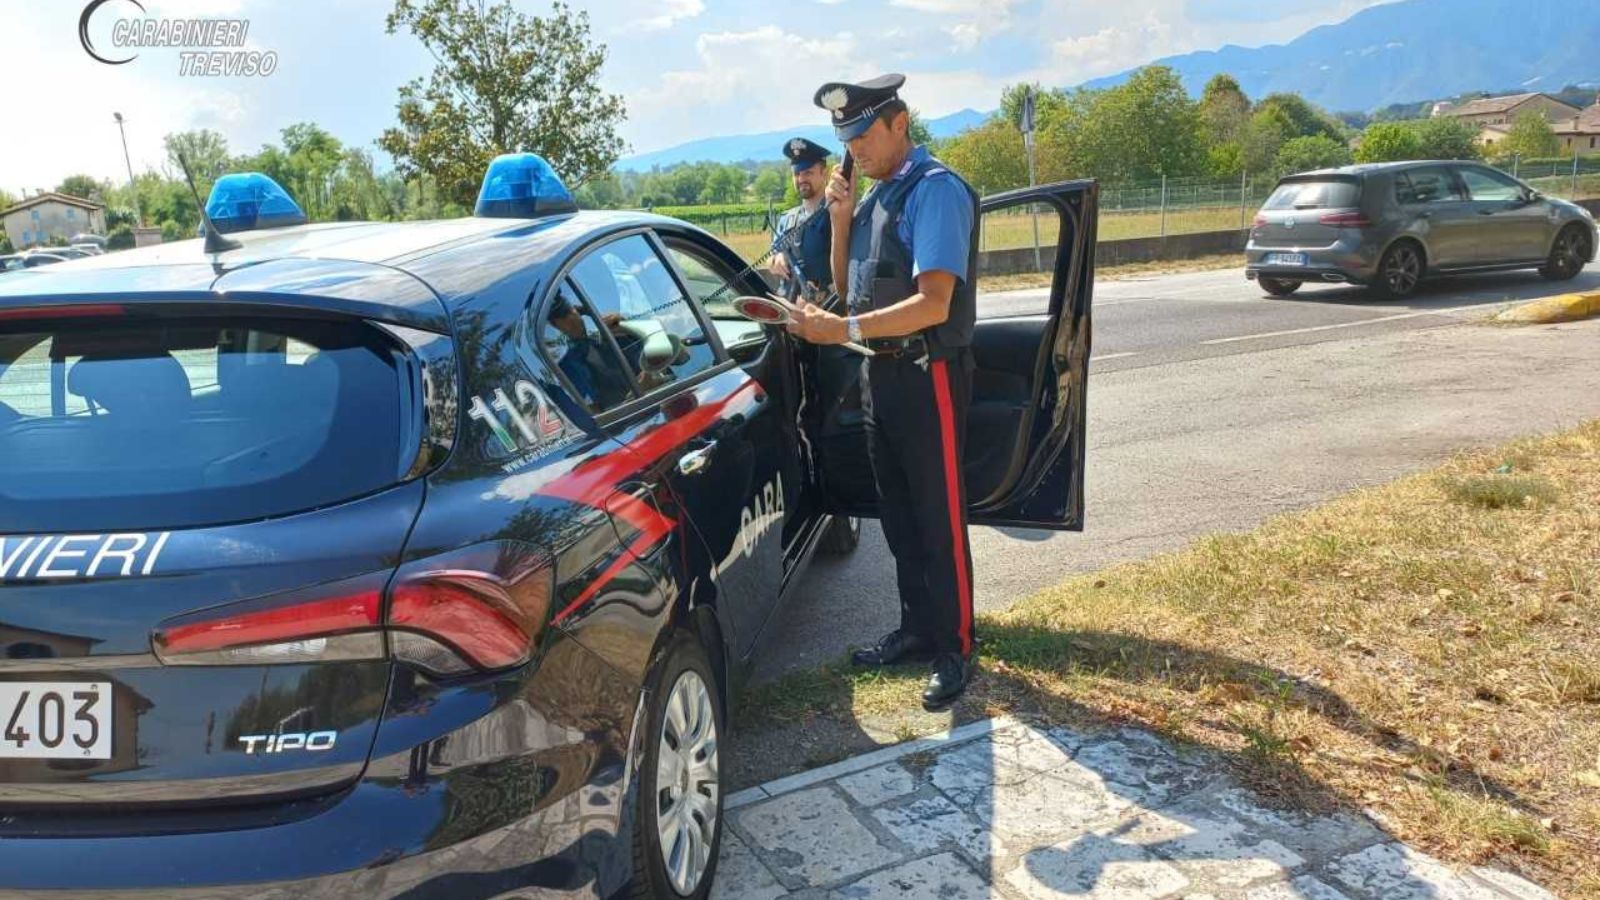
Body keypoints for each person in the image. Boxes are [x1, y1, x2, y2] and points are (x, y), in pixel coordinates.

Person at [785, 73, 981, 710]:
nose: (856, 151)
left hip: (928, 374)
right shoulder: (873, 198)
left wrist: (840, 330)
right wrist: (841, 221)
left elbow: (934, 303)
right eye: (848, 142)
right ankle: (917, 629)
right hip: (879, 374)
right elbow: (848, 287)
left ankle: (955, 646)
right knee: (897, 515)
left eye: (865, 136)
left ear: (901, 124)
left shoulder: (935, 191)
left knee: (937, 518)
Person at [768, 137, 835, 302]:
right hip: (789, 307)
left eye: (808, 173)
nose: (801, 179)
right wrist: (776, 260)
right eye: (796, 173)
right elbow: (771, 256)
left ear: (824, 173)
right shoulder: (787, 219)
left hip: (827, 308)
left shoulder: (836, 215)